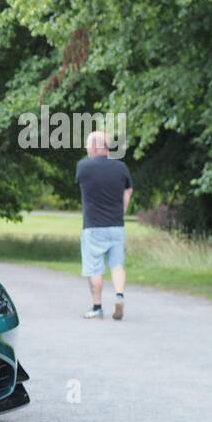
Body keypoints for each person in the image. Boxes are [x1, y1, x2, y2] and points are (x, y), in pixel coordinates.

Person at [75, 130, 133, 319]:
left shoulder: (83, 167)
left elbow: (82, 184)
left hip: (92, 226)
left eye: (88, 145)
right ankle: (119, 296)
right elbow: (128, 190)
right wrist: (122, 210)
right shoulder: (121, 167)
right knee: (117, 265)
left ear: (93, 147)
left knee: (94, 268)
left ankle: (97, 307)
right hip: (116, 225)